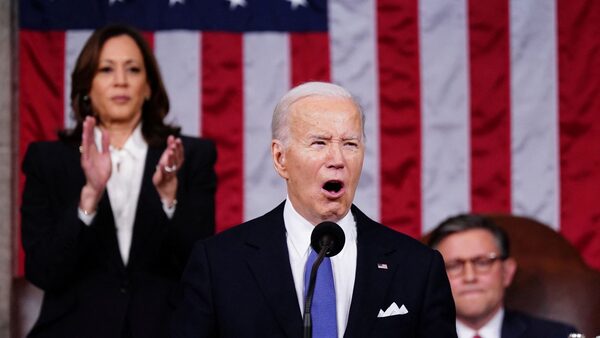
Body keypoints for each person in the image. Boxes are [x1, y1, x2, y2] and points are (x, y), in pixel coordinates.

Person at [171, 81, 457, 337]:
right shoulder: (220, 264)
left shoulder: (417, 266)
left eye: (350, 144)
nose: (337, 159)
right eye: (319, 143)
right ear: (280, 158)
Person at [20, 24, 217, 338]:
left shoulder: (190, 155)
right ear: (86, 86)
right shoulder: (48, 160)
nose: (121, 81)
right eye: (106, 69)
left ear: (149, 86)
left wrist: (169, 198)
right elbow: (43, 271)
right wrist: (89, 198)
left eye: (133, 69)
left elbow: (198, 269)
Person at [427, 214, 578, 338]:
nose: (470, 277)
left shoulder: (558, 335)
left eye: (483, 262)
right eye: (454, 265)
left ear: (507, 272)